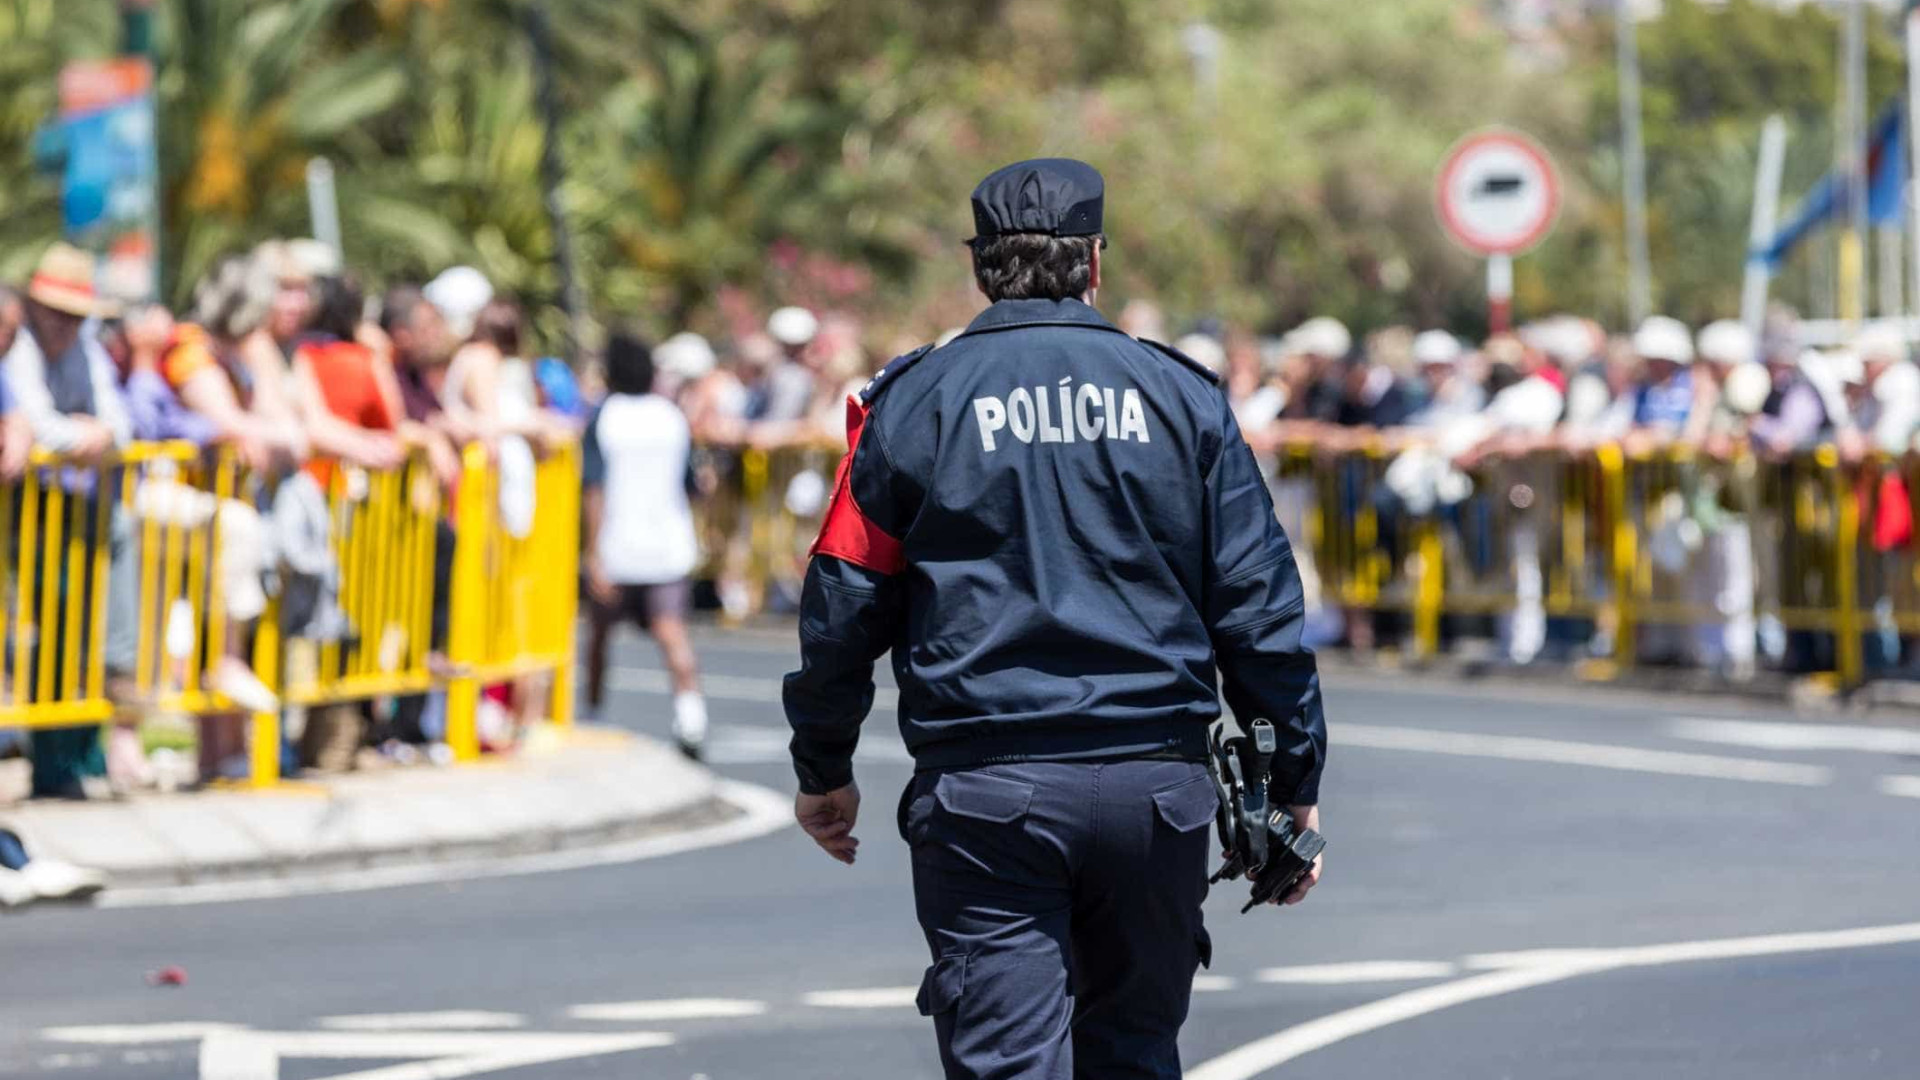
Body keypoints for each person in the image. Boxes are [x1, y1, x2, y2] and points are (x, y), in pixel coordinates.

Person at [782, 158, 1327, 1080]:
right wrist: (1294, 779)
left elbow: (843, 597)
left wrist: (823, 766)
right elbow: (1259, 608)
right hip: (1155, 791)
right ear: (1094, 264)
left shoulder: (913, 401)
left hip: (988, 789)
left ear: (983, 266)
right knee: (1134, 1056)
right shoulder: (1180, 394)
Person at [3, 243, 133, 798]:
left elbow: (119, 427)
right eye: (56, 312)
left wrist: (90, 436)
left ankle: (81, 757)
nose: (64, 325)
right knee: (51, 630)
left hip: (77, 507)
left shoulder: (86, 349)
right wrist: (84, 436)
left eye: (74, 316)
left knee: (86, 633)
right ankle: (56, 765)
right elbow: (35, 425)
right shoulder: (19, 349)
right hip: (31, 512)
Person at [581, 331, 708, 760]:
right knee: (673, 635)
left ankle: (593, 715)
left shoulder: (606, 416)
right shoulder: (670, 417)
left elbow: (593, 488)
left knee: (599, 636)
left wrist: (592, 552)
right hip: (667, 546)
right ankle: (691, 718)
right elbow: (692, 484)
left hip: (617, 547)